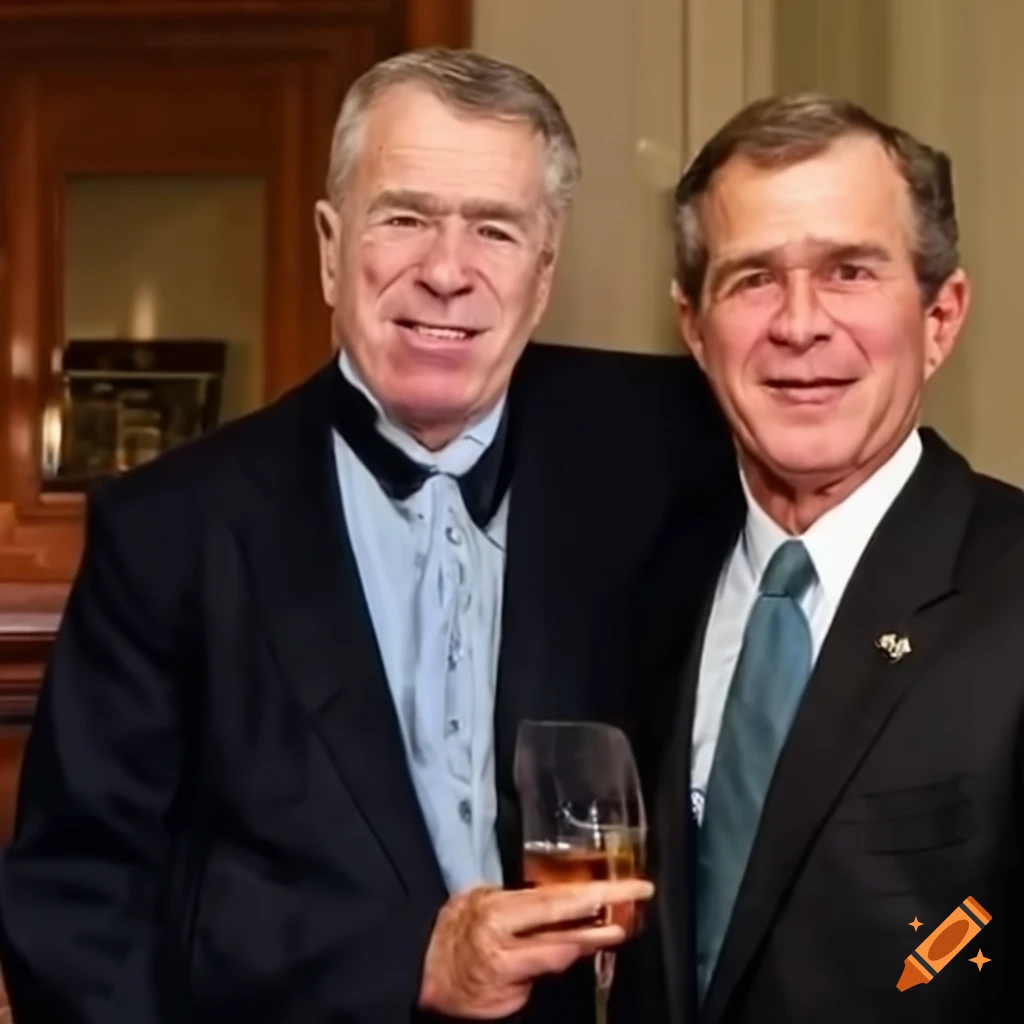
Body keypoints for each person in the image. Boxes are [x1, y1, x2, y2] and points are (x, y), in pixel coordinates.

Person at [0, 49, 736, 1024]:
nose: (446, 270)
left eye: (494, 228)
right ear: (328, 244)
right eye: (404, 217)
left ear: (544, 268)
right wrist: (406, 967)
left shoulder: (675, 447)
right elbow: (72, 918)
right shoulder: (170, 531)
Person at [639, 94, 1024, 1024]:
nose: (800, 324)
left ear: (942, 316)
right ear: (694, 328)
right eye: (753, 279)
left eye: (850, 271)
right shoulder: (640, 581)